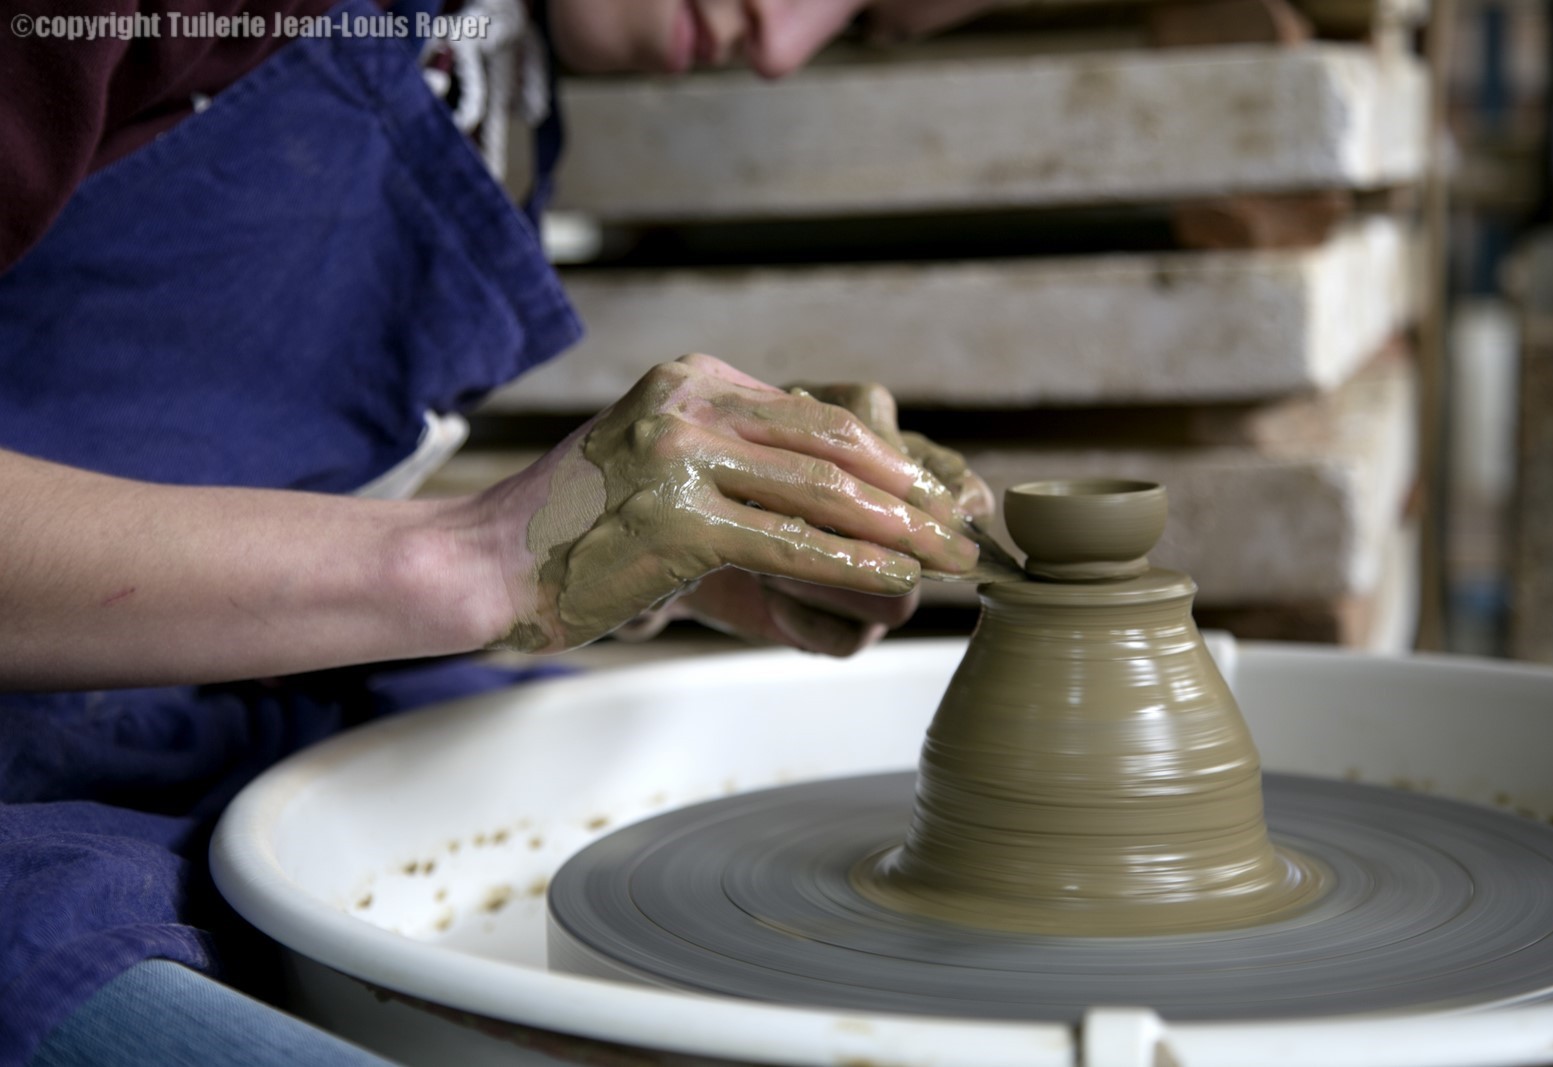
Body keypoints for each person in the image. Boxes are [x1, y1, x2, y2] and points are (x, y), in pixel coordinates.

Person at [0, 0, 1003, 1063]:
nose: (781, 46)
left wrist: (652, 559)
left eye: (861, 25)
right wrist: (473, 555)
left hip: (181, 710)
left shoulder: (499, 64)